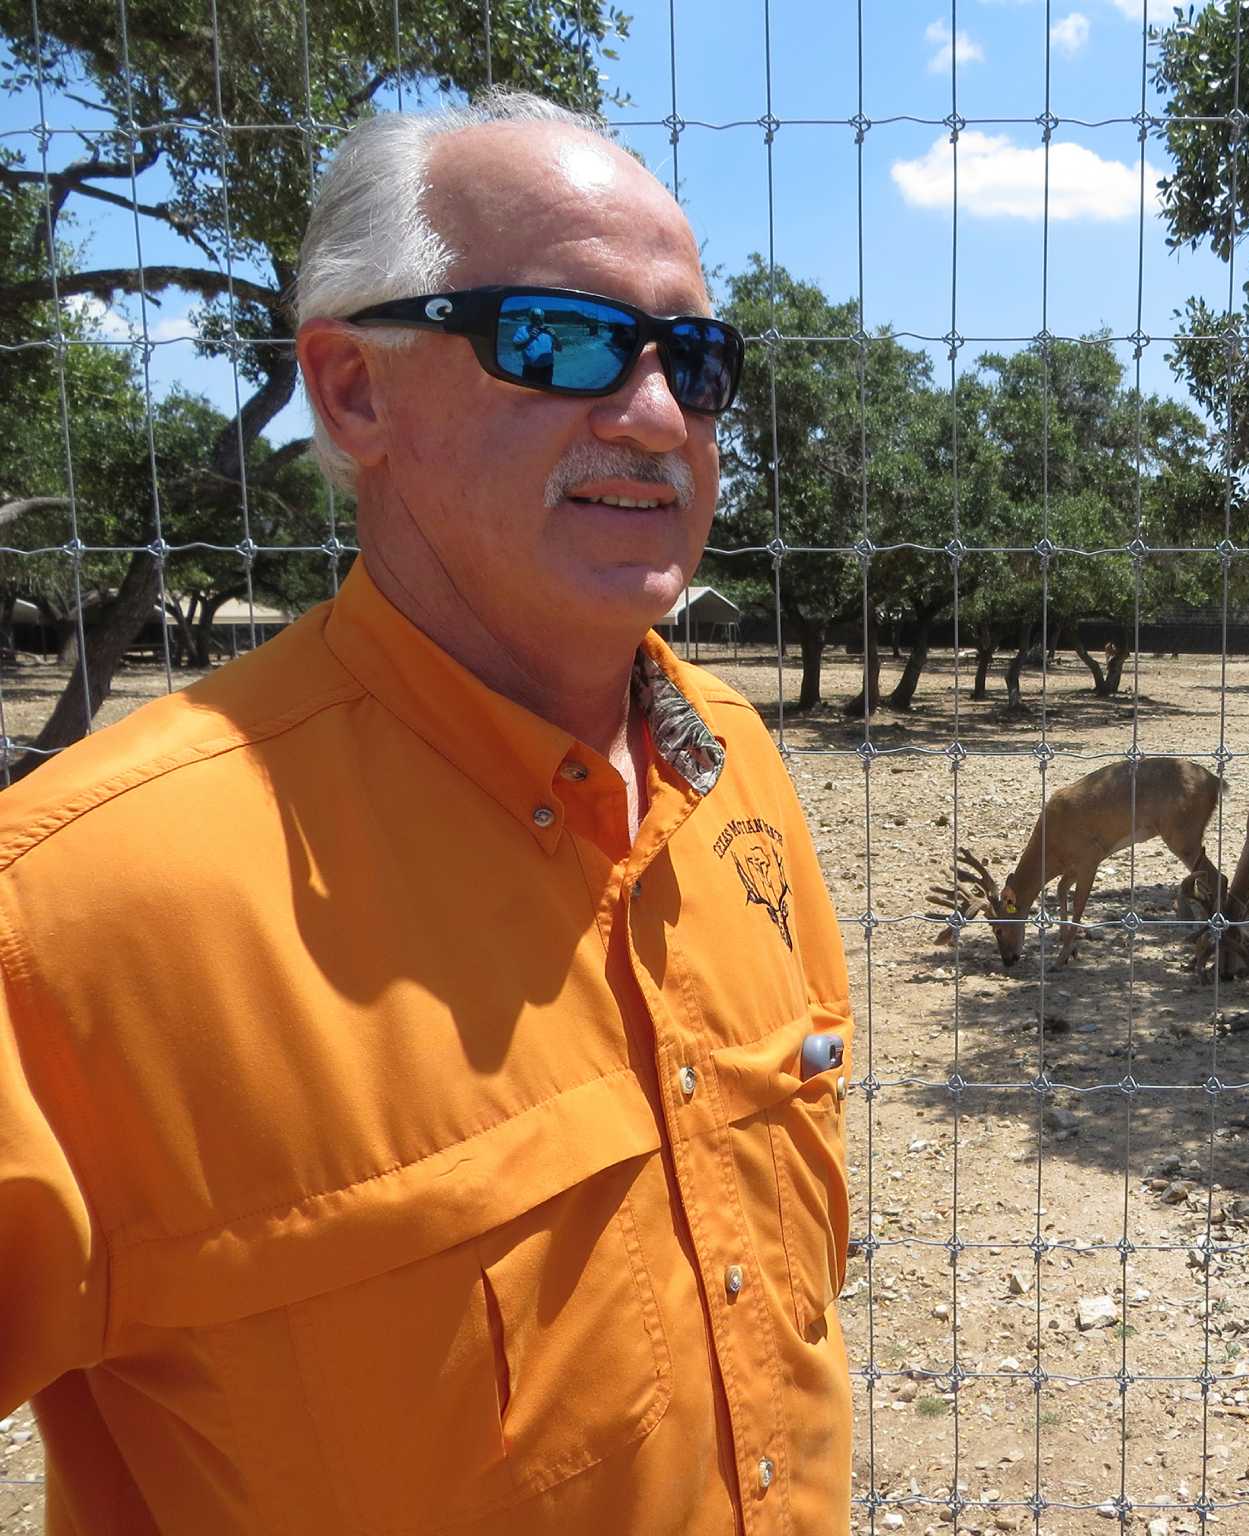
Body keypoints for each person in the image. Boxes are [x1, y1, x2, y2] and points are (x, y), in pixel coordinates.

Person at [0, 90, 853, 1535]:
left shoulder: (739, 773)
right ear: (352, 390)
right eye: (561, 339)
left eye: (696, 361)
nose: (657, 416)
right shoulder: (73, 910)